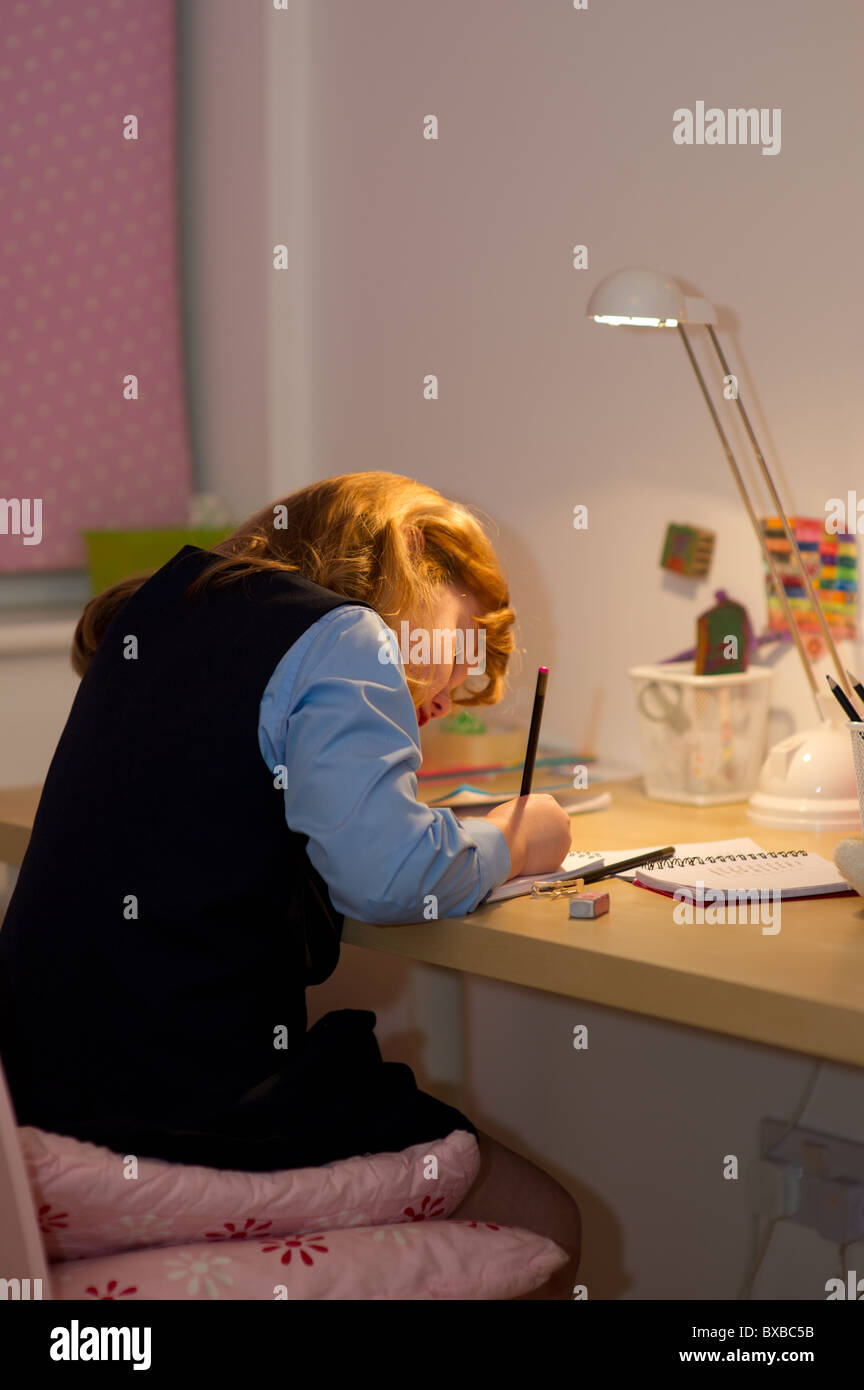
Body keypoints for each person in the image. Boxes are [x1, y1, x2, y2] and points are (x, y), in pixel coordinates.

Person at [0, 471, 580, 1299]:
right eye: (456, 639)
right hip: (184, 1107)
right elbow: (386, 879)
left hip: (44, 1083)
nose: (449, 690)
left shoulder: (162, 610)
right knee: (549, 1223)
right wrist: (518, 840)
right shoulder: (346, 636)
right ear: (402, 573)